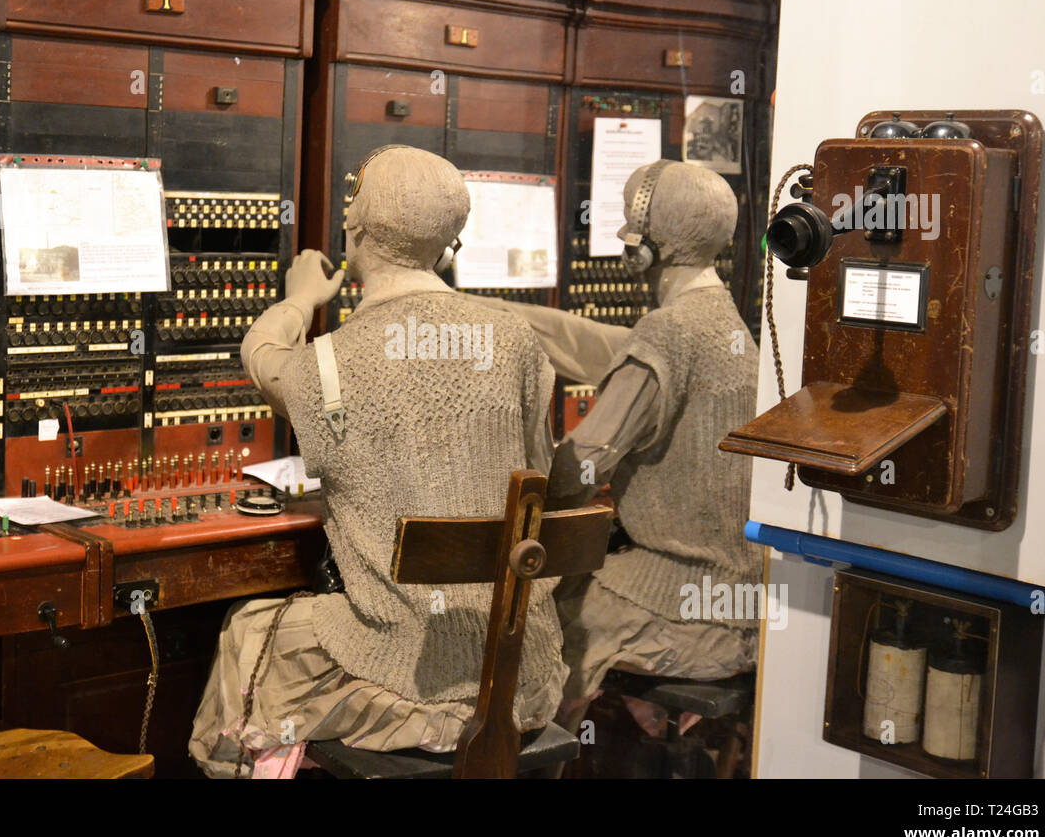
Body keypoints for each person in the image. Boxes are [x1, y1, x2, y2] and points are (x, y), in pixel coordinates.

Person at [189, 146, 564, 777]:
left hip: (409, 677)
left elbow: (261, 353)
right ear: (451, 242)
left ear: (355, 231)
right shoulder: (518, 343)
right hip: (520, 672)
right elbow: (537, 474)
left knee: (249, 629)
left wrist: (301, 298)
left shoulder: (330, 363)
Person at [470, 160, 763, 732]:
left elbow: (576, 471)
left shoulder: (669, 333)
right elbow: (594, 344)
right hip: (739, 602)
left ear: (644, 245)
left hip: (675, 603)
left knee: (516, 633)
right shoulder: (726, 325)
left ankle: (526, 757)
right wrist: (484, 313)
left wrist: (502, 470)